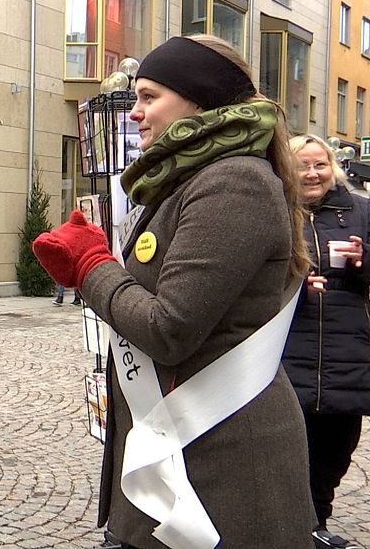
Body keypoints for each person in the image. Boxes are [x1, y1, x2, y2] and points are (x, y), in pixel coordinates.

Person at [32, 35, 316, 547]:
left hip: (222, 457)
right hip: (184, 444)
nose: (136, 112)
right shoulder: (190, 178)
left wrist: (91, 264)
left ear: (199, 101)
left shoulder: (232, 182)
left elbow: (169, 329)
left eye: (149, 96)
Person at [281, 134, 369, 549]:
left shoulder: (361, 211)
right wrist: (295, 288)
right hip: (289, 353)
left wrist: (363, 260)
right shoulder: (276, 212)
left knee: (335, 451)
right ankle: (294, 527)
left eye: (320, 164)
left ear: (333, 167)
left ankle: (316, 523)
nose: (312, 173)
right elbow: (254, 277)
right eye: (303, 165)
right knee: (289, 450)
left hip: (348, 353)